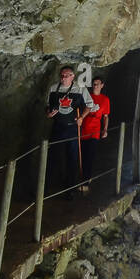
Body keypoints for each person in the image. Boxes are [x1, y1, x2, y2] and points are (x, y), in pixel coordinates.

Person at [46, 66, 86, 200]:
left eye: (66, 76)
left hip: (72, 128)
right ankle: (46, 187)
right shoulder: (53, 88)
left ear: (72, 76)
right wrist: (49, 113)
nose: (63, 78)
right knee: (52, 157)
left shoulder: (80, 89)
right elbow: (48, 106)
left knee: (72, 158)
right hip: (57, 127)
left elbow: (89, 106)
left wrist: (81, 117)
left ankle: (70, 189)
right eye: (61, 76)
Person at [79, 77, 110, 193]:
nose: (95, 86)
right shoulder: (87, 96)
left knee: (90, 155)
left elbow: (106, 116)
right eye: (94, 84)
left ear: (102, 85)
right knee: (83, 154)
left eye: (97, 84)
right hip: (84, 128)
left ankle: (85, 182)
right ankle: (85, 178)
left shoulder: (105, 100)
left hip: (95, 130)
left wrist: (105, 129)